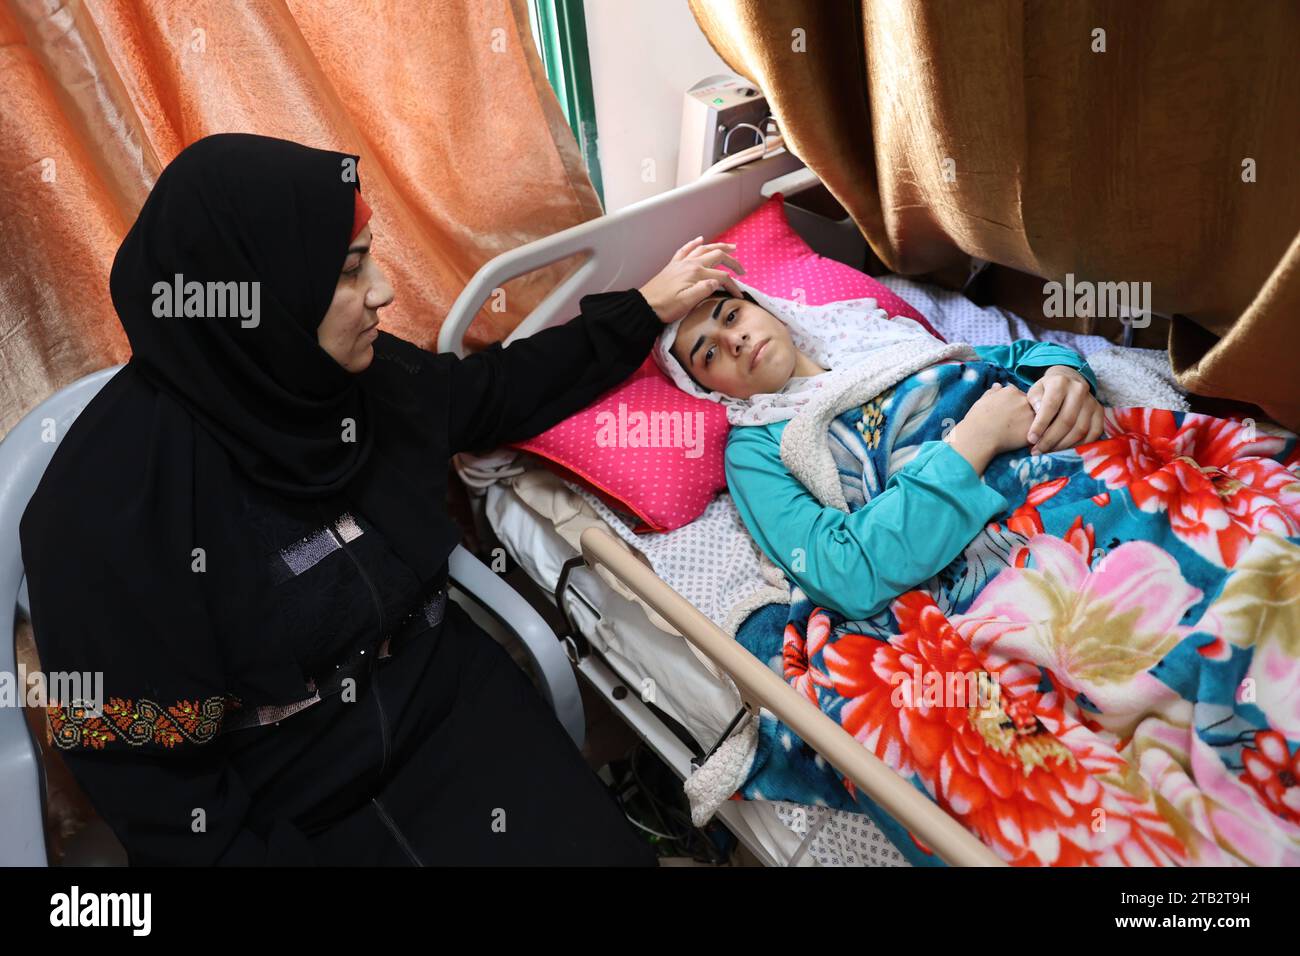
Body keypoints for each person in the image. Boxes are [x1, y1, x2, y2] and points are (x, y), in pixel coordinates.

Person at [19, 132, 745, 866]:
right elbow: (160, 795)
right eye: (349, 271)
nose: (384, 292)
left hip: (448, 706)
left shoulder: (349, 383)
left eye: (369, 256)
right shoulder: (99, 514)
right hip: (282, 802)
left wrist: (642, 310)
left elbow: (494, 392)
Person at [654, 284, 1105, 620]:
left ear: (764, 306)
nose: (733, 341)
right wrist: (973, 442)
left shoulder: (874, 338)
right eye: (708, 354)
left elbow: (1007, 357)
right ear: (707, 391)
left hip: (1079, 458)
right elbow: (841, 573)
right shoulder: (754, 447)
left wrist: (1064, 376)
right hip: (1012, 547)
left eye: (731, 316)